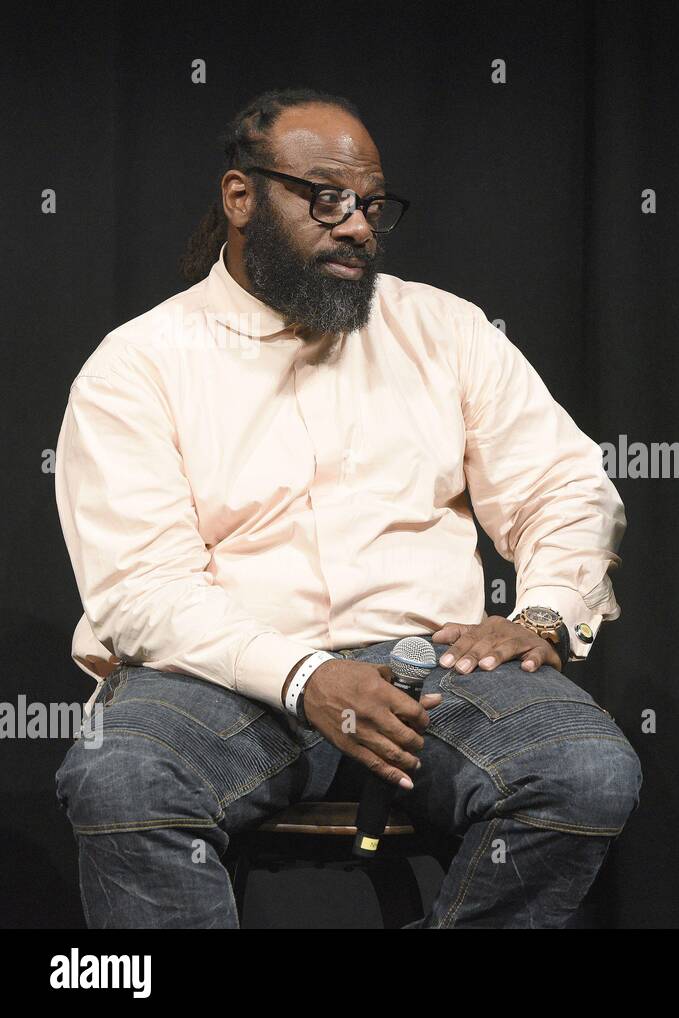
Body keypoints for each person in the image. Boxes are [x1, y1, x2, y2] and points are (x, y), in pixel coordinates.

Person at [53, 88, 640, 928]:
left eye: (370, 204)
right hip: (221, 680)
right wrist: (308, 678)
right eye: (325, 197)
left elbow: (566, 485)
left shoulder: (443, 329)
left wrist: (544, 615)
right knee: (124, 781)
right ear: (240, 197)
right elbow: (143, 593)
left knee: (584, 770)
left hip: (426, 670)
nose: (357, 224)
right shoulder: (138, 364)